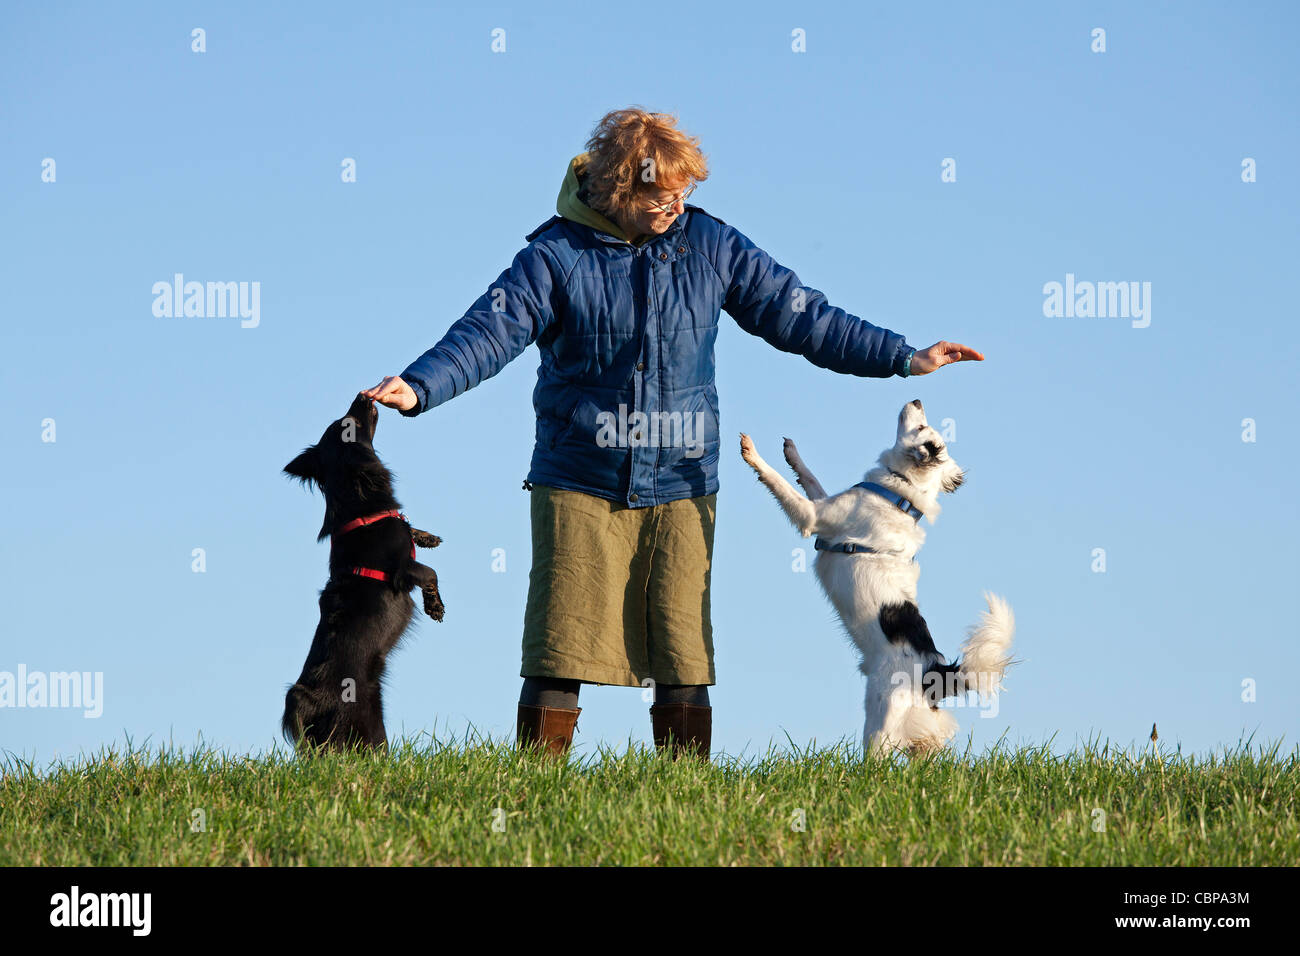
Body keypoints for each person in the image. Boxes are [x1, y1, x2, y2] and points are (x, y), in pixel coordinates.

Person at [363, 107, 984, 760]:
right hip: (579, 477)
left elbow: (803, 315)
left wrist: (902, 355)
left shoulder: (708, 244)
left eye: (685, 194)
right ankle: (534, 794)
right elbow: (490, 330)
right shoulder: (554, 255)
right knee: (560, 642)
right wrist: (419, 384)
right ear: (619, 190)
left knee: (682, 652)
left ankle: (683, 797)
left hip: (683, 481)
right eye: (663, 195)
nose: (676, 207)